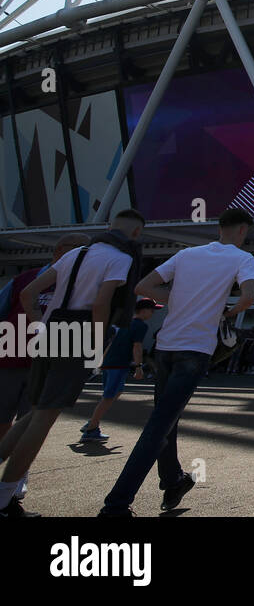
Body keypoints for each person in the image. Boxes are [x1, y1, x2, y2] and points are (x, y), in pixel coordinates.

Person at [98, 208, 254, 518]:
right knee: (159, 425)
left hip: (166, 347)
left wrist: (180, 298)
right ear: (241, 231)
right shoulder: (241, 258)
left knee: (166, 418)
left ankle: (173, 480)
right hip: (195, 350)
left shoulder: (186, 255)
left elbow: (143, 288)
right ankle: (115, 504)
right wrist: (227, 313)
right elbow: (248, 297)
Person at [0, 211, 145, 518]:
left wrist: (41, 323)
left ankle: (4, 494)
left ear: (109, 227)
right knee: (43, 419)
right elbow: (101, 303)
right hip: (78, 334)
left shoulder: (76, 254)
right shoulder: (120, 259)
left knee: (36, 411)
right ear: (135, 234)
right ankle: (3, 497)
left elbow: (29, 294)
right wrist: (95, 343)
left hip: (51, 329)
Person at [0, 235, 89, 446]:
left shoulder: (82, 286)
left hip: (48, 367)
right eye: (80, 250)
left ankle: (16, 477)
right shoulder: (23, 280)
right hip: (10, 360)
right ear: (60, 251)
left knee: (30, 423)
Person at [81, 298, 161, 443]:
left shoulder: (124, 323)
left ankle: (92, 422)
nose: (153, 313)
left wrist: (101, 361)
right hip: (118, 365)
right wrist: (138, 367)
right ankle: (91, 428)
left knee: (113, 393)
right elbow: (137, 347)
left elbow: (111, 343)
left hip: (109, 363)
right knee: (109, 396)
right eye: (152, 310)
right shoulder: (140, 326)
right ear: (143, 310)